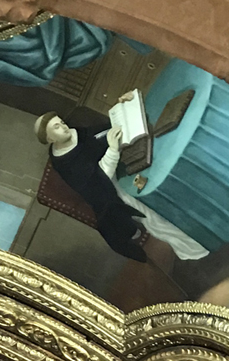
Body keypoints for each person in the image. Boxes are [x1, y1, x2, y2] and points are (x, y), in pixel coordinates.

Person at [34, 112, 209, 261]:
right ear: (49, 139)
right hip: (111, 193)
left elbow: (101, 133)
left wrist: (122, 111)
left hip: (121, 166)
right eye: (56, 127)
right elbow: (99, 179)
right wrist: (112, 148)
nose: (64, 127)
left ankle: (202, 220)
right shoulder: (65, 164)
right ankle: (192, 249)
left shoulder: (74, 133)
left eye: (62, 123)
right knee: (151, 211)